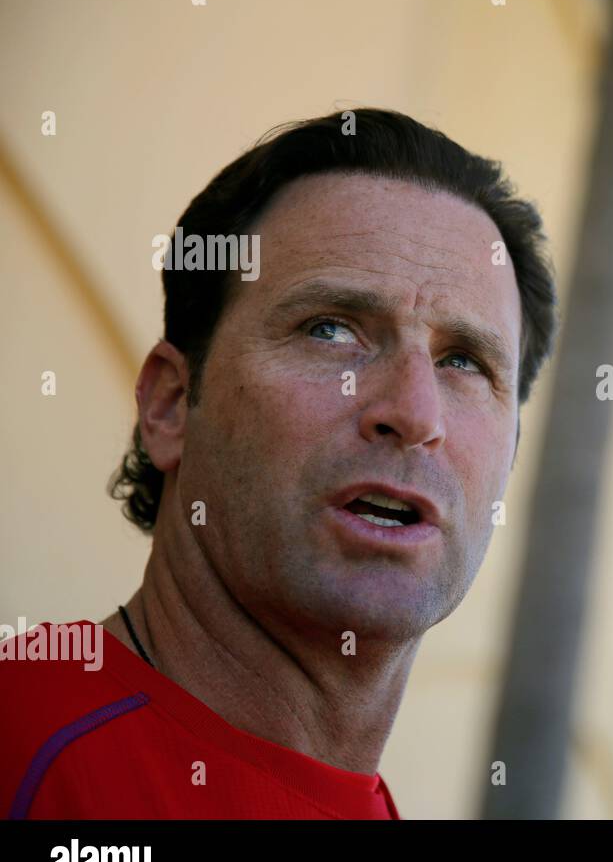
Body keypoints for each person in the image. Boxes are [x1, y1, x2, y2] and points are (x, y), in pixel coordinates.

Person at [0, 109, 559, 819]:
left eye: (463, 362)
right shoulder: (24, 749)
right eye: (331, 329)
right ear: (171, 405)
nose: (416, 414)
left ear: (511, 453)